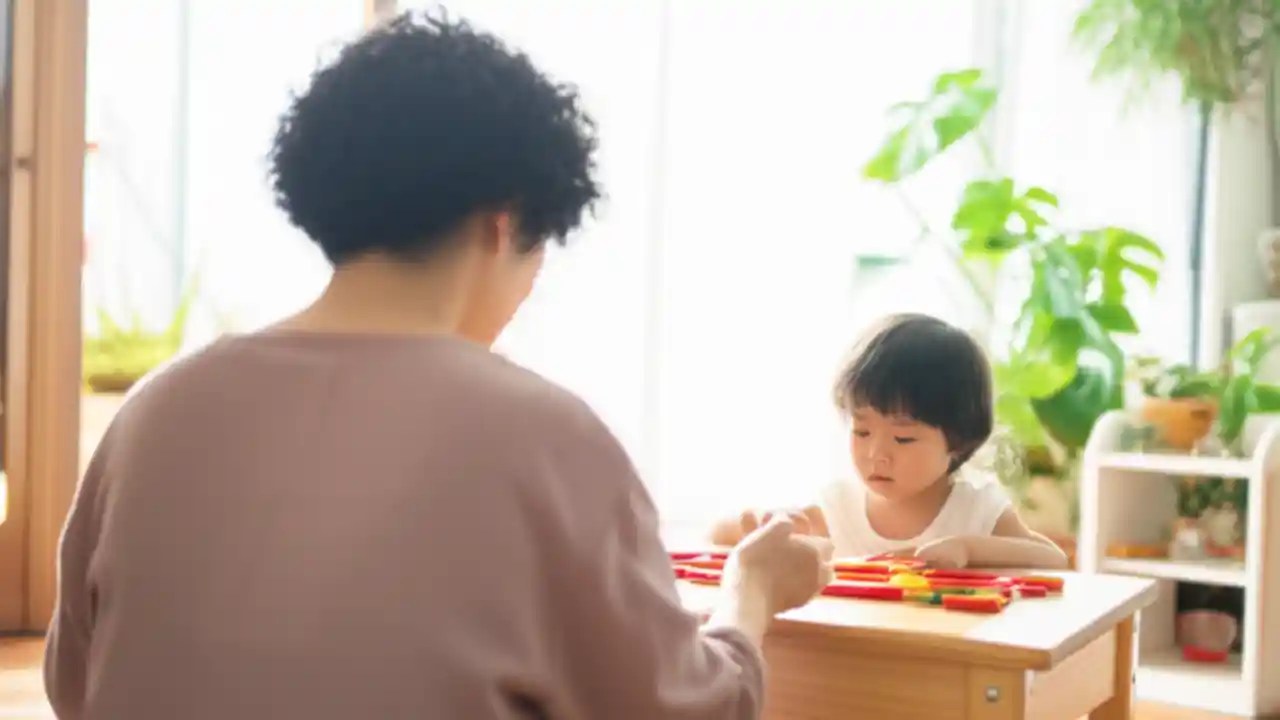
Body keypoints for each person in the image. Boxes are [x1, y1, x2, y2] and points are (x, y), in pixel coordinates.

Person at [44, 11, 833, 719]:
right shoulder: (543, 434)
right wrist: (750, 591)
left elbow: (75, 687)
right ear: (503, 223)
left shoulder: (158, 408)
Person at [710, 313, 1067, 570]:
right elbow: (720, 533)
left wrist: (969, 548)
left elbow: (1054, 559)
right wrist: (764, 520)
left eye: (903, 438)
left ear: (958, 441)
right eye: (861, 431)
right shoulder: (839, 509)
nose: (876, 455)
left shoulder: (974, 512)